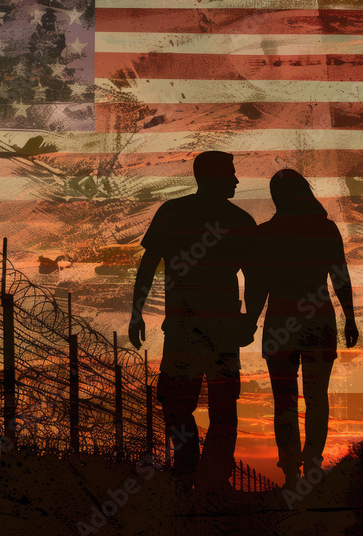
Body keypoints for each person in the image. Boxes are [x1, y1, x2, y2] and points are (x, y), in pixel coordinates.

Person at [129, 151, 260, 495]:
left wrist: (137, 311)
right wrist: (250, 320)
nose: (236, 180)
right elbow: (258, 277)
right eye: (231, 174)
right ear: (213, 178)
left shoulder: (176, 213)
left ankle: (204, 475)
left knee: (188, 402)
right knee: (202, 403)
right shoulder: (230, 219)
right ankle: (200, 472)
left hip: (192, 326)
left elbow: (148, 265)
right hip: (205, 327)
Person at [244, 169, 359, 489]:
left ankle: (292, 470)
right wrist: (350, 317)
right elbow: (340, 276)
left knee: (285, 400)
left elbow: (257, 285)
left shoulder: (264, 233)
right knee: (316, 397)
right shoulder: (324, 229)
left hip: (280, 320)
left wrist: (250, 322)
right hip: (318, 318)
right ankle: (311, 464)